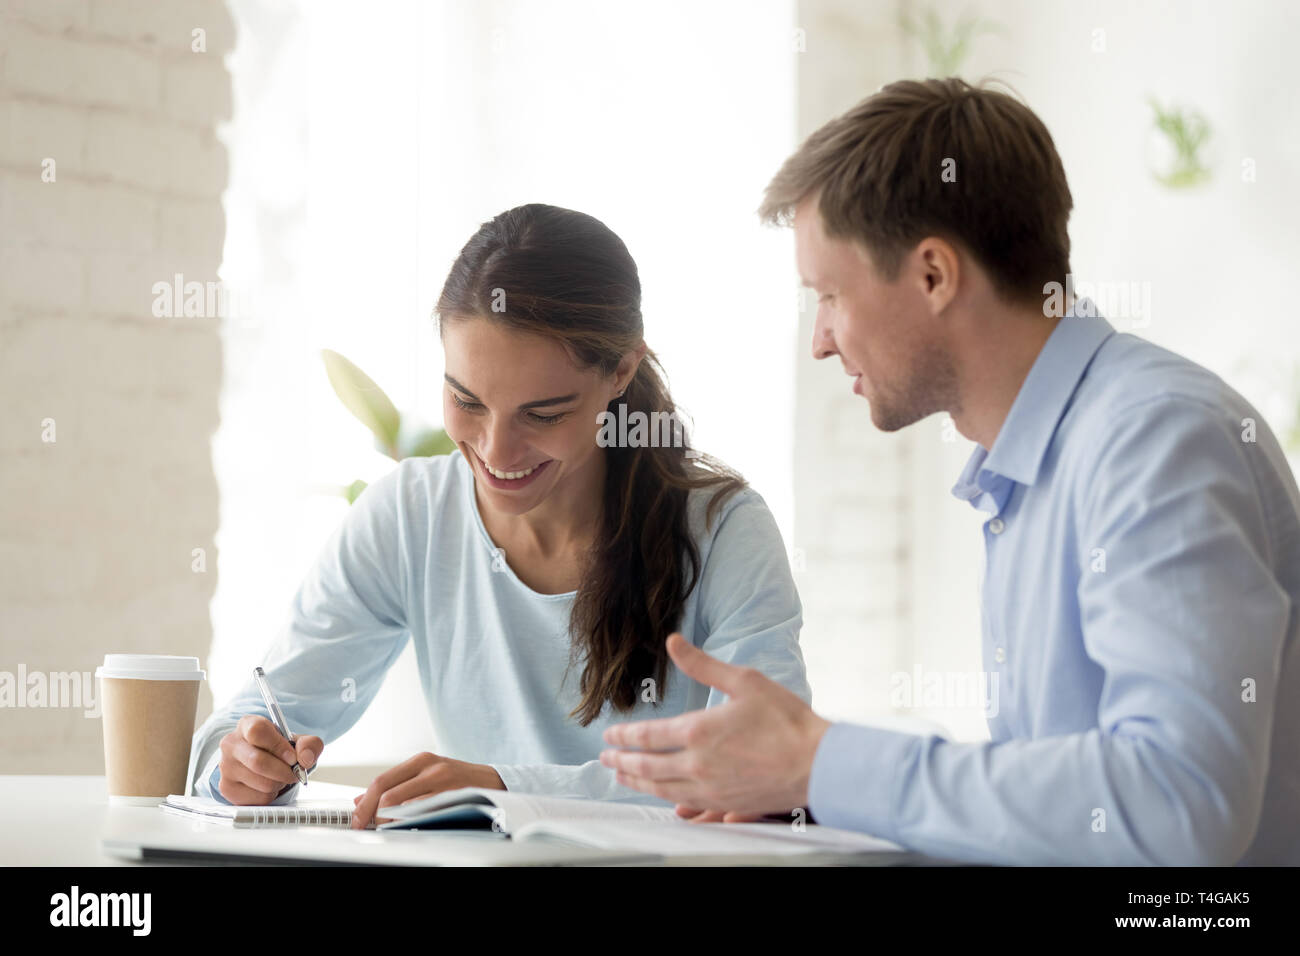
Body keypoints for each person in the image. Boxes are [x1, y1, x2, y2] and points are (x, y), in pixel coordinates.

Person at [600, 77, 1300, 865]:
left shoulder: (1152, 441)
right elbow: (1070, 799)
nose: (820, 341)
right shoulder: (1036, 462)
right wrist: (808, 785)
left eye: (829, 294)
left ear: (934, 274)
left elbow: (1178, 805)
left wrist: (821, 762)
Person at [186, 203, 810, 828]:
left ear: (621, 370)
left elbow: (767, 769)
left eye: (543, 414)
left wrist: (502, 788)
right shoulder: (410, 516)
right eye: (467, 400)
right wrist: (237, 767)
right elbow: (239, 729)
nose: (495, 452)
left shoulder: (724, 530)